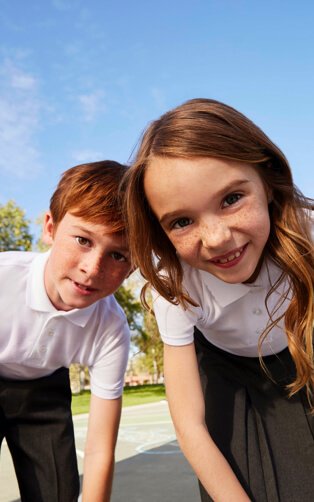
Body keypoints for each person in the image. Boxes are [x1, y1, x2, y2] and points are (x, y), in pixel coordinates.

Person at [123, 99, 314, 501]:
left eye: (231, 199)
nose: (217, 239)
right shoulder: (177, 286)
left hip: (303, 356)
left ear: (267, 178)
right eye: (182, 221)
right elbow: (190, 426)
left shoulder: (308, 233)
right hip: (228, 375)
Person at [0, 160, 133, 502]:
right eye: (82, 240)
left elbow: (101, 451)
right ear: (50, 227)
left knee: (59, 493)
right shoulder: (4, 281)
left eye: (118, 255)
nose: (92, 269)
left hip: (44, 390)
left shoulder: (111, 327)